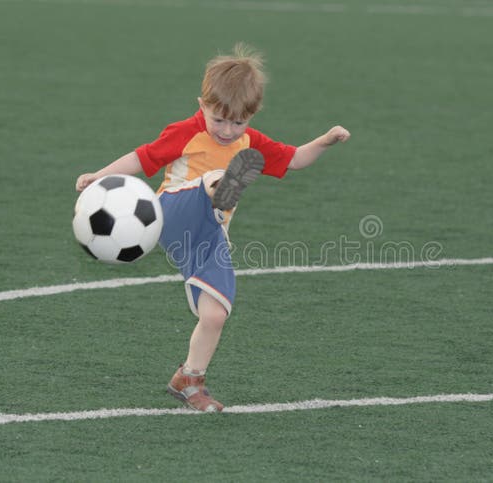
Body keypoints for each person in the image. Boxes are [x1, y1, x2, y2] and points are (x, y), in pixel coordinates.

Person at [75, 43, 350, 412]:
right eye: (218, 120)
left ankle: (189, 379)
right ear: (202, 105)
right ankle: (221, 188)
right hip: (171, 212)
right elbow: (142, 157)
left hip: (208, 235)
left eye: (238, 122)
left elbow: (295, 159)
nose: (227, 130)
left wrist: (325, 140)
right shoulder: (186, 132)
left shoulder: (252, 142)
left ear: (252, 116)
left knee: (216, 314)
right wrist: (100, 176)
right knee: (213, 181)